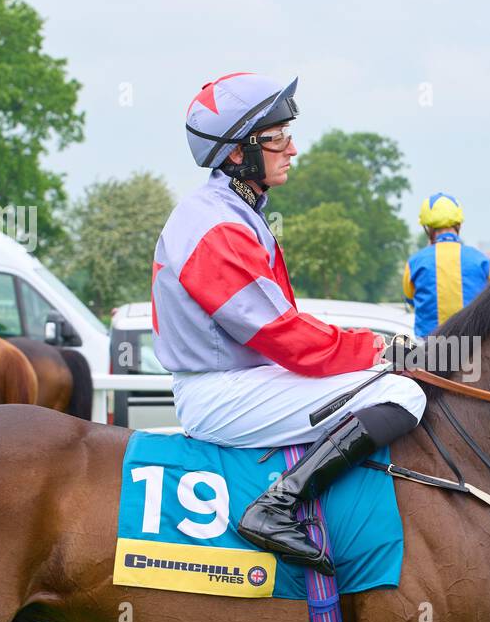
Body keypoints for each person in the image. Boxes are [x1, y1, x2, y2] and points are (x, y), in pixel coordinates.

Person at [154, 72, 426, 575]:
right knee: (403, 394)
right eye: (277, 137)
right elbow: (285, 337)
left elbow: (287, 329)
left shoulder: (234, 209)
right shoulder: (217, 224)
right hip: (221, 392)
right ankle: (275, 506)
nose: (292, 148)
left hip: (239, 379)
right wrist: (378, 350)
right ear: (237, 152)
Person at [402, 193, 490, 339]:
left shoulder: (415, 263)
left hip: (429, 349)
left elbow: (411, 301)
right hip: (473, 349)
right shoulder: (483, 261)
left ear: (428, 229)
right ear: (458, 225)